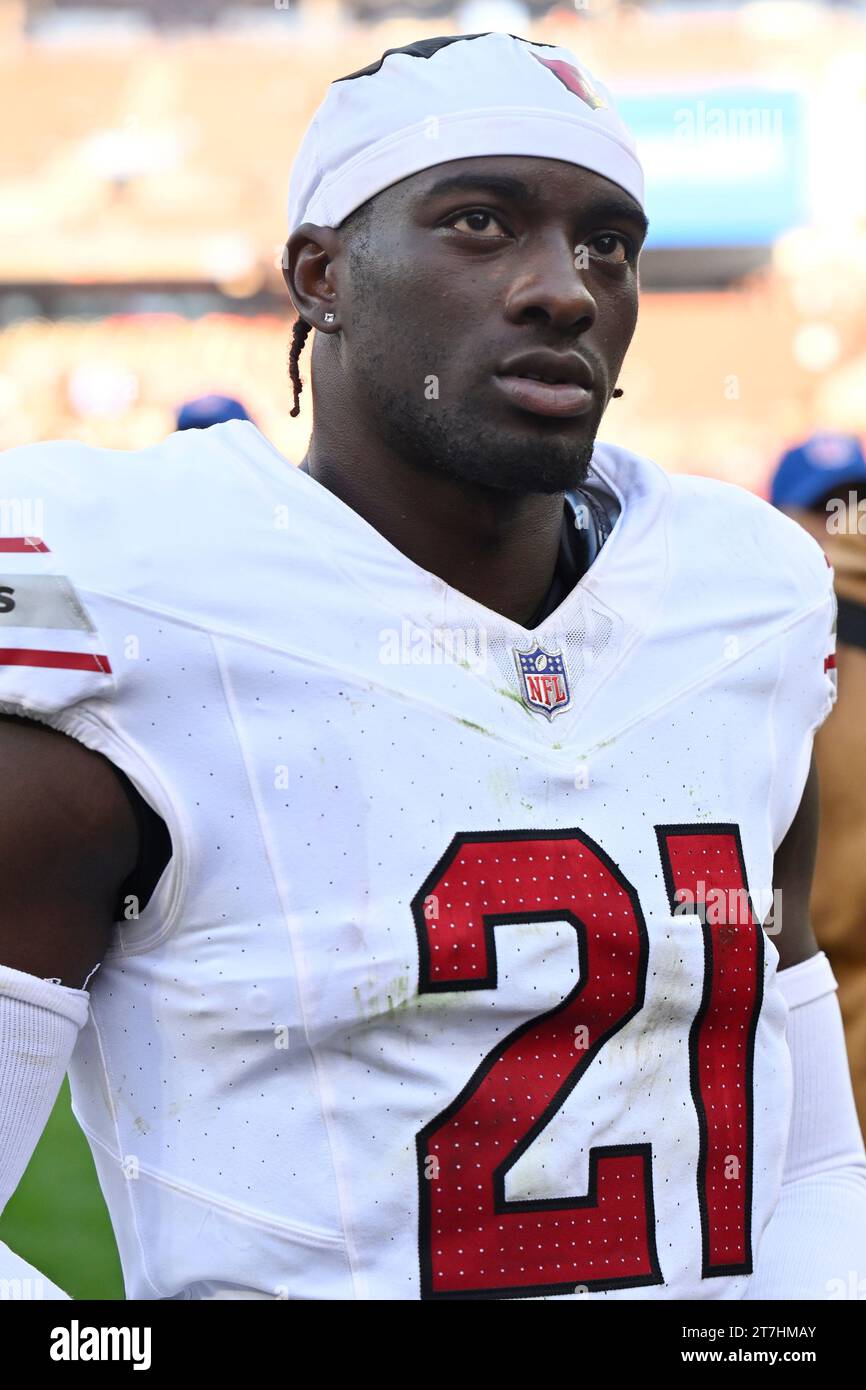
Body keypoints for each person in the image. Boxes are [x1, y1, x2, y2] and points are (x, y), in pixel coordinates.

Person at [0, 31, 864, 1302]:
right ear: (322, 274)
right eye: (478, 221)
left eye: (606, 244)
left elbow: (804, 1155)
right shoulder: (136, 606)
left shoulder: (744, 599)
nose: (564, 287)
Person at [771, 431, 866, 1139]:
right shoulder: (772, 643)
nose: (848, 524)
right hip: (809, 999)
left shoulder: (755, 642)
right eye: (828, 508)